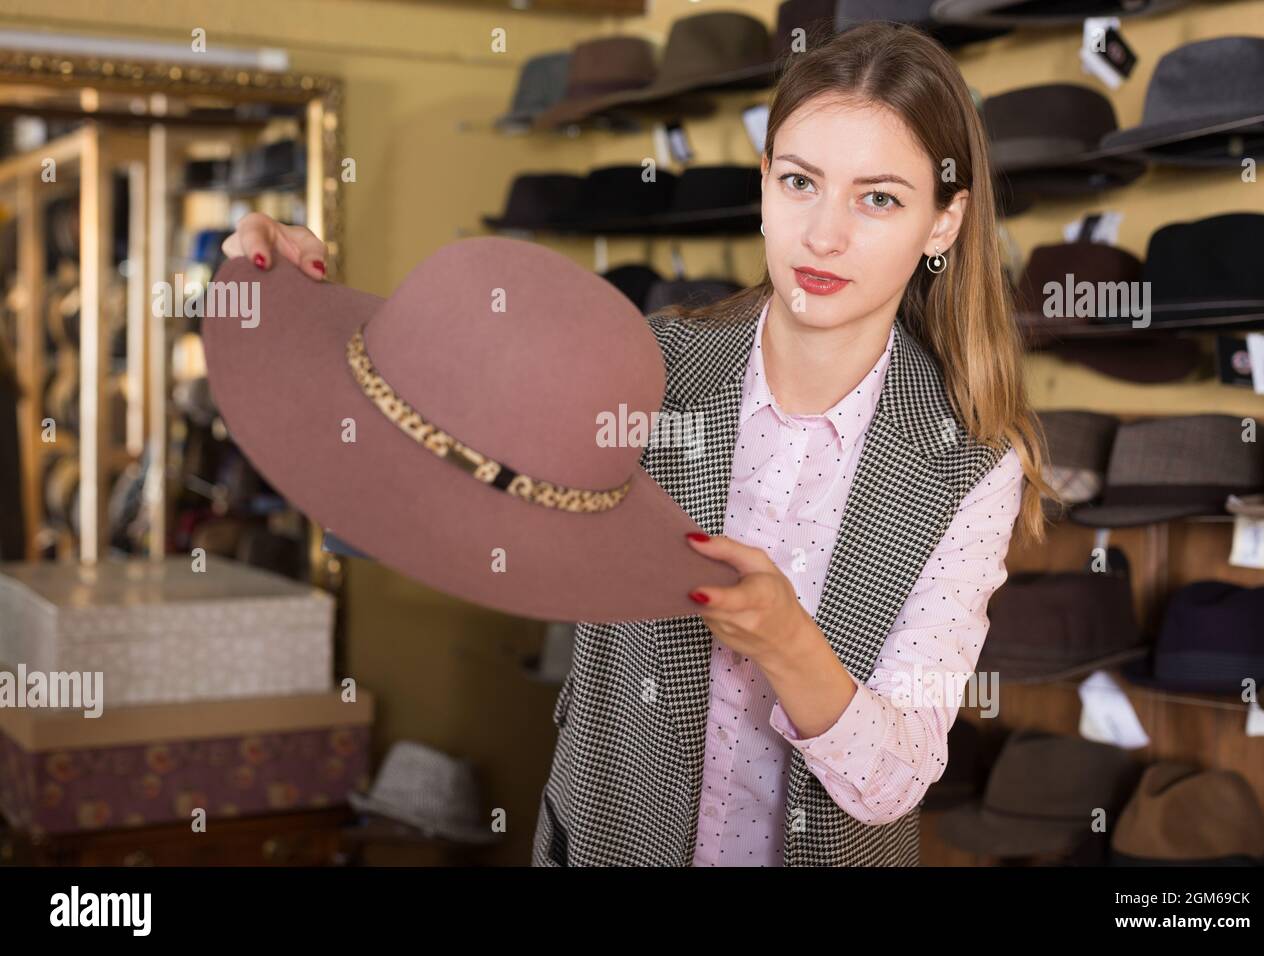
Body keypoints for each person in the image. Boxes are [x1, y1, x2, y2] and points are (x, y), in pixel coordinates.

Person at [221, 19, 1054, 867]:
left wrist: (786, 641)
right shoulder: (640, 368)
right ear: (765, 181)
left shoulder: (971, 466)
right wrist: (300, 325)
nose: (825, 234)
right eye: (801, 182)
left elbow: (895, 780)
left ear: (944, 224)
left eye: (879, 197)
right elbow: (407, 501)